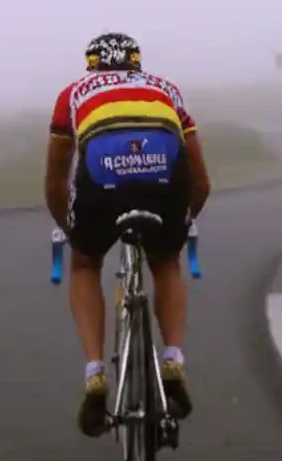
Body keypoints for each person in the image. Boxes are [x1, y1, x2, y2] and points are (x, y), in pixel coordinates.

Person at [44, 32, 212, 438]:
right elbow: (201, 179)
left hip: (101, 187)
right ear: (137, 63)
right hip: (164, 183)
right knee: (166, 259)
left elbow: (55, 178)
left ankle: (95, 374)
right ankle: (172, 360)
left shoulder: (74, 93)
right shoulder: (165, 89)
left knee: (85, 264)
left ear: (92, 64)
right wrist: (182, 221)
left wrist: (73, 235)